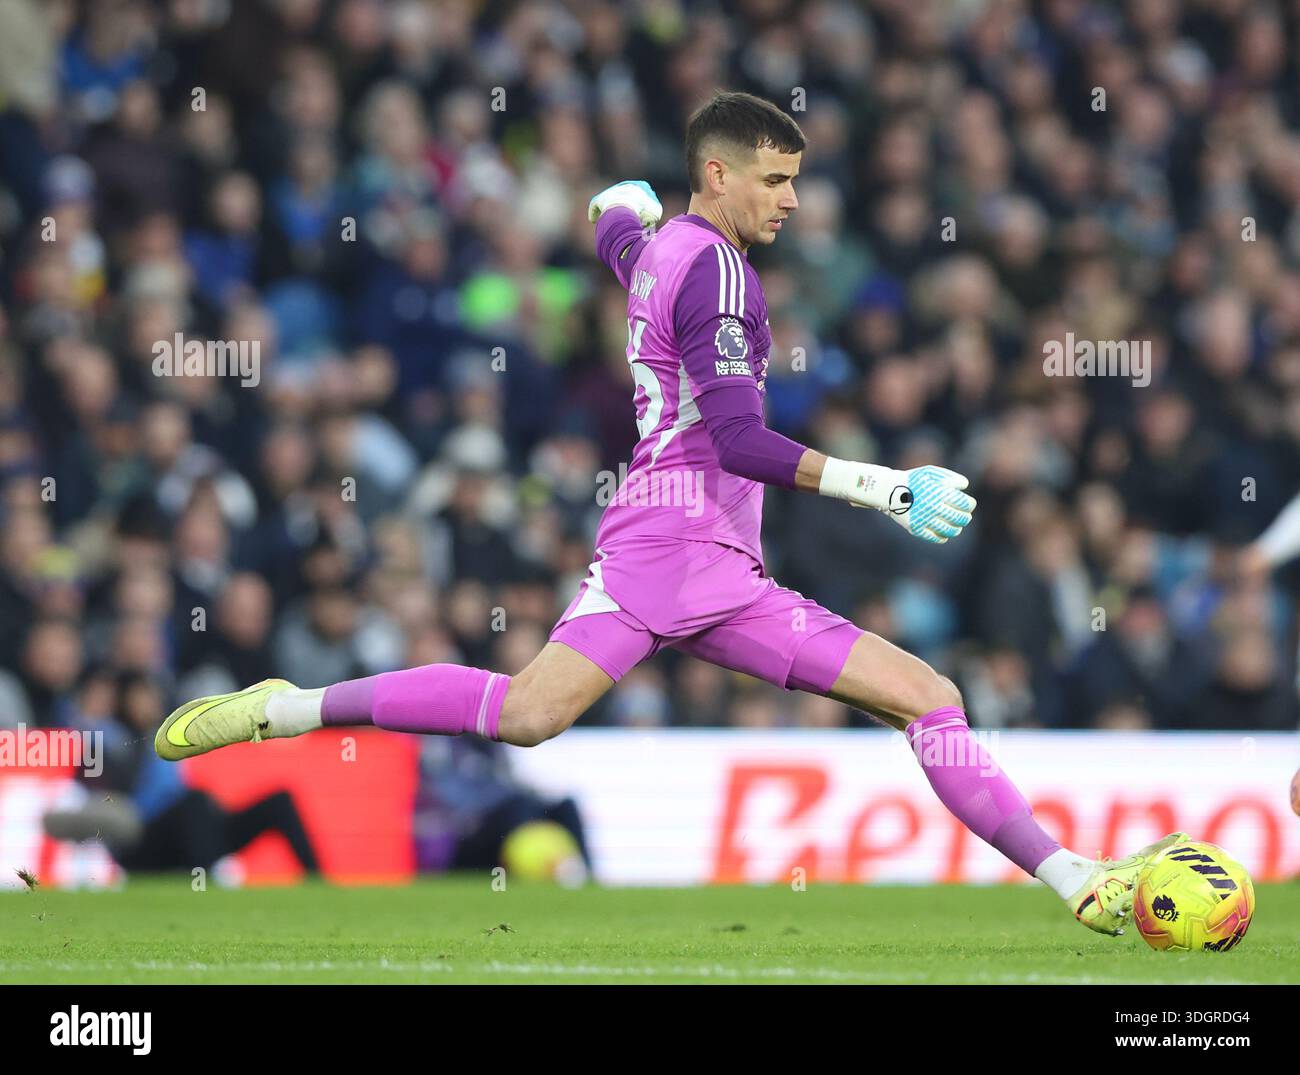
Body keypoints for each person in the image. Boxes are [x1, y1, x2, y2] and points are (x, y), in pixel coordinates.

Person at [154, 92, 1183, 932]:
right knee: (905, 692)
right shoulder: (722, 275)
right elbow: (737, 440)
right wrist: (888, 486)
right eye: (773, 180)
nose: (791, 201)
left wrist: (617, 206)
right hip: (686, 548)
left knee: (546, 712)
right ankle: (1070, 879)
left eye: (796, 179)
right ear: (719, 176)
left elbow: (613, 232)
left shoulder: (661, 255)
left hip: (683, 547)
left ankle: (287, 709)